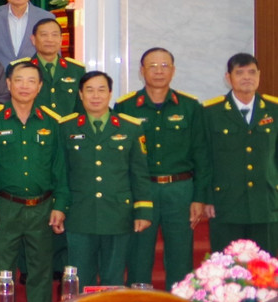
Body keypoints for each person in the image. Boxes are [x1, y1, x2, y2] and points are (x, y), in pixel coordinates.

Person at [116, 48, 209, 288]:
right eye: (152, 65)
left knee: (180, 254)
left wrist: (199, 197)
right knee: (138, 253)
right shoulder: (125, 108)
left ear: (173, 70)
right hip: (141, 191)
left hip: (179, 190)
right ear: (141, 71)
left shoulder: (190, 107)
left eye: (165, 65)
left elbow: (201, 154)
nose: (159, 71)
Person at [56, 72, 152, 285]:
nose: (95, 96)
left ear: (110, 93)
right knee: (80, 279)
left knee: (113, 277)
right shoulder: (66, 127)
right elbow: (61, 173)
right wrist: (60, 208)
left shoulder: (131, 127)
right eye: (89, 90)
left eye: (101, 90)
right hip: (80, 214)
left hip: (118, 214)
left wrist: (143, 210)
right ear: (80, 94)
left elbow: (139, 173)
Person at [0, 61, 67, 302]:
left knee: (41, 272)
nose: (24, 86)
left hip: (42, 207)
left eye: (31, 81)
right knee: (3, 273)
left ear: (40, 86)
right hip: (5, 206)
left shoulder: (53, 122)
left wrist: (60, 204)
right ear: (8, 83)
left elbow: (60, 168)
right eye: (18, 80)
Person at [203, 54, 278, 253]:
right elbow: (204, 158)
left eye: (252, 72)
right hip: (226, 202)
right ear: (228, 77)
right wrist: (208, 197)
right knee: (226, 264)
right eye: (240, 72)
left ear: (259, 75)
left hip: (266, 200)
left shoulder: (274, 109)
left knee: (266, 265)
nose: (247, 77)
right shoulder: (211, 112)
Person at [13, 18, 84, 115]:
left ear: (61, 40)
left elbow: (82, 108)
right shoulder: (19, 69)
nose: (49, 40)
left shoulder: (76, 70)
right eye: (44, 35)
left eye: (54, 35)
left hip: (67, 128)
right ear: (33, 40)